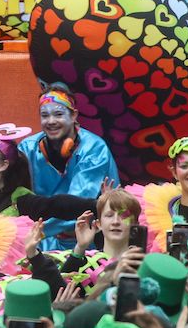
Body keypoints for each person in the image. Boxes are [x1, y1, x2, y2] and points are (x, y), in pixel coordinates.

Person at [17, 84, 118, 250]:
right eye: (44, 115)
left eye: (58, 114)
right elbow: (17, 197)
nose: (51, 121)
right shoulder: (27, 148)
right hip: (38, 240)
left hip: (88, 240)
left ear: (73, 116)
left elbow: (76, 206)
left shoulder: (94, 149)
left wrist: (35, 232)